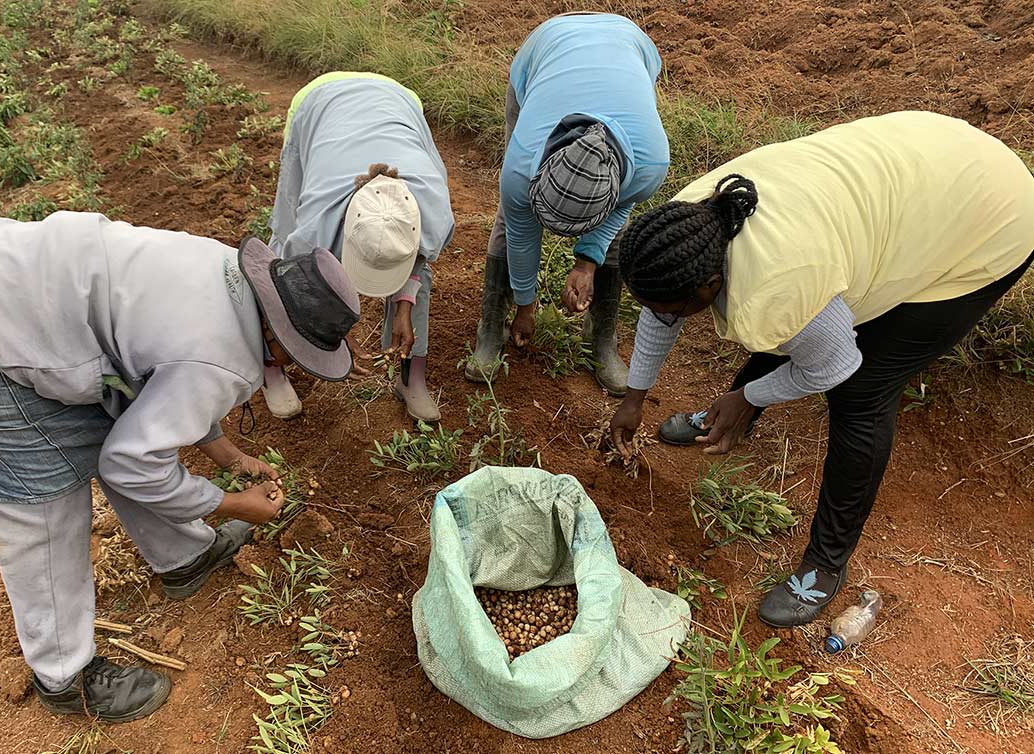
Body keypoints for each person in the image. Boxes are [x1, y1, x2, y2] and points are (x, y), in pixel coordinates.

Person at [0, 212, 361, 721]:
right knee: (41, 496)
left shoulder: (225, 272)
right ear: (281, 338)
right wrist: (228, 503)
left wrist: (228, 455)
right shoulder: (223, 358)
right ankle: (65, 676)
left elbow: (156, 373)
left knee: (126, 433)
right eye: (292, 356)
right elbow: (135, 459)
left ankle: (184, 556)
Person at [609, 111, 1034, 627]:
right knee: (794, 319)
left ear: (707, 286)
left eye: (677, 307)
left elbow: (833, 363)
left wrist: (750, 396)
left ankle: (825, 565)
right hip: (919, 168)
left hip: (988, 219)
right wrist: (635, 393)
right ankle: (728, 419)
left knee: (862, 393)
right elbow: (668, 308)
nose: (664, 316)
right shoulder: (683, 225)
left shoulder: (777, 285)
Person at [464, 12, 670, 396]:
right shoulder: (521, 168)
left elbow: (618, 211)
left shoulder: (649, 163)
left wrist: (587, 262)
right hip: (547, 49)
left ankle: (601, 341)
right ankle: (491, 328)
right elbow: (523, 238)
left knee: (617, 235)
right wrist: (526, 306)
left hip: (627, 47)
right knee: (511, 222)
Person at [261, 71, 456, 423]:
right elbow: (294, 282)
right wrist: (336, 335)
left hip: (397, 99)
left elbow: (418, 259)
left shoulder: (433, 211)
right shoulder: (313, 228)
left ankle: (412, 376)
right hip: (318, 104)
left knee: (417, 279)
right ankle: (270, 367)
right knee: (279, 264)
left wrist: (404, 307)